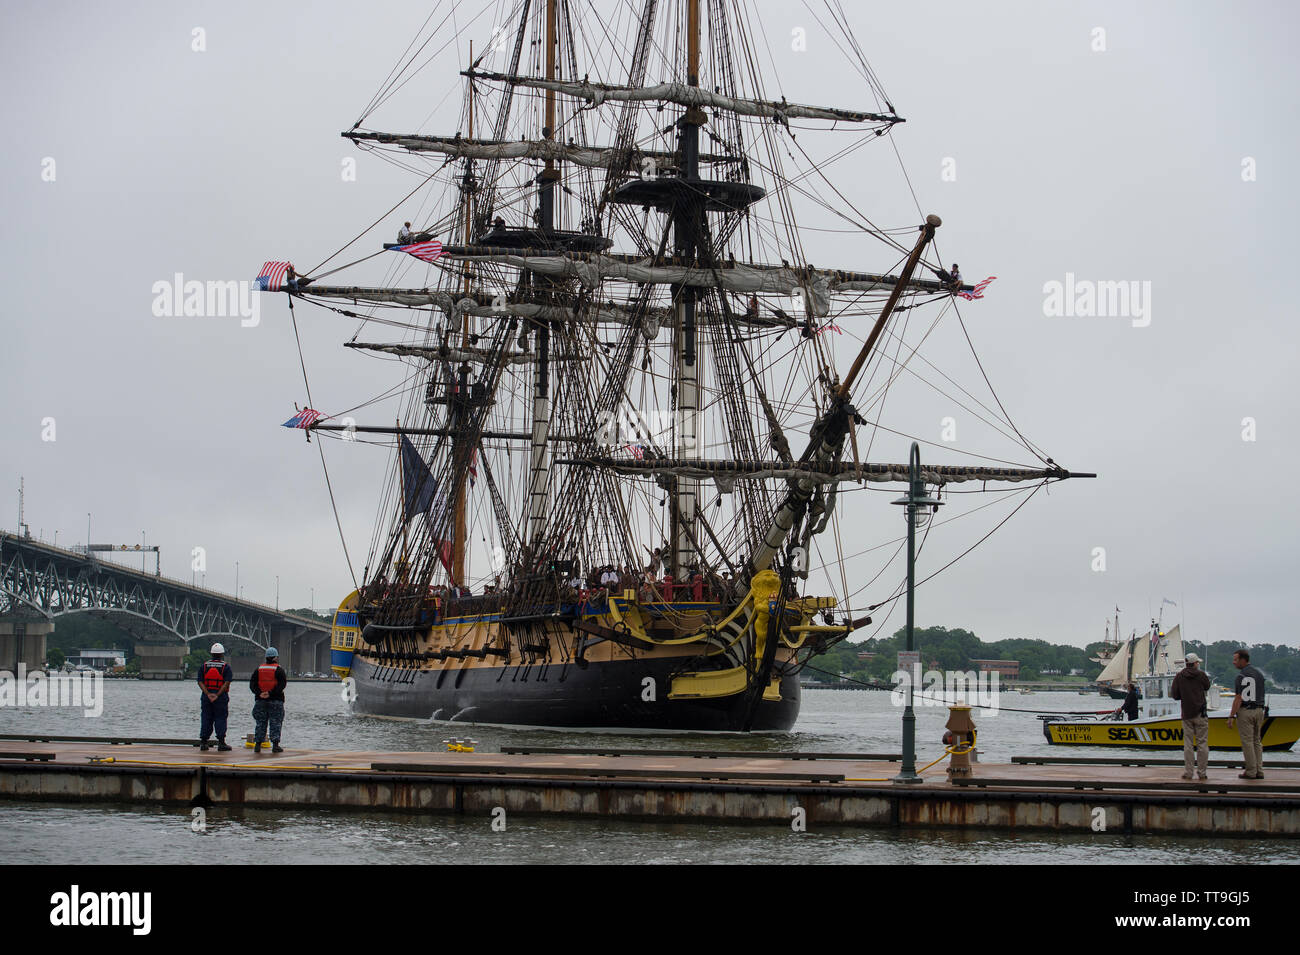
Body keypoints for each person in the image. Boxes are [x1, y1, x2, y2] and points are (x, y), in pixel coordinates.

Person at [1170, 653, 1210, 780]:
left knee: (1188, 745)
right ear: (1195, 663)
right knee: (1202, 743)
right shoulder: (1201, 675)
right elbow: (1207, 686)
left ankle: (1188, 772)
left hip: (1186, 713)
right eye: (1198, 662)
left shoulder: (1179, 676)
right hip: (1201, 713)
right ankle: (1202, 773)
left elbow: (1175, 695)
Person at [1228, 648, 1267, 779]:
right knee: (1257, 741)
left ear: (1243, 660)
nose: (1233, 662)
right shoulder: (1259, 674)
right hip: (1259, 710)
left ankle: (1250, 771)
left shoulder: (1241, 676)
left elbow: (1238, 698)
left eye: (1235, 659)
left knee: (1247, 742)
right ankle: (1259, 770)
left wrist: (1231, 716)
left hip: (1246, 711)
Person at [249, 647, 287, 754]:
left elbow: (252, 684)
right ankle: (275, 745)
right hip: (276, 701)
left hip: (260, 701)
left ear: (266, 657)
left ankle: (258, 744)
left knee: (260, 723)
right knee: (275, 723)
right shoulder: (279, 670)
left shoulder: (259, 669)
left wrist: (259, 693)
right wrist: (270, 693)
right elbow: (282, 685)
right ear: (275, 657)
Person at [197, 643, 233, 751]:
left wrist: (208, 694)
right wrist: (217, 695)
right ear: (222, 654)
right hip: (220, 698)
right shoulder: (225, 667)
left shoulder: (204, 666)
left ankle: (203, 742)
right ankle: (221, 743)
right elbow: (226, 683)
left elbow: (200, 682)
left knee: (206, 718)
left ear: (211, 653)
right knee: (220, 718)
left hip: (206, 697)